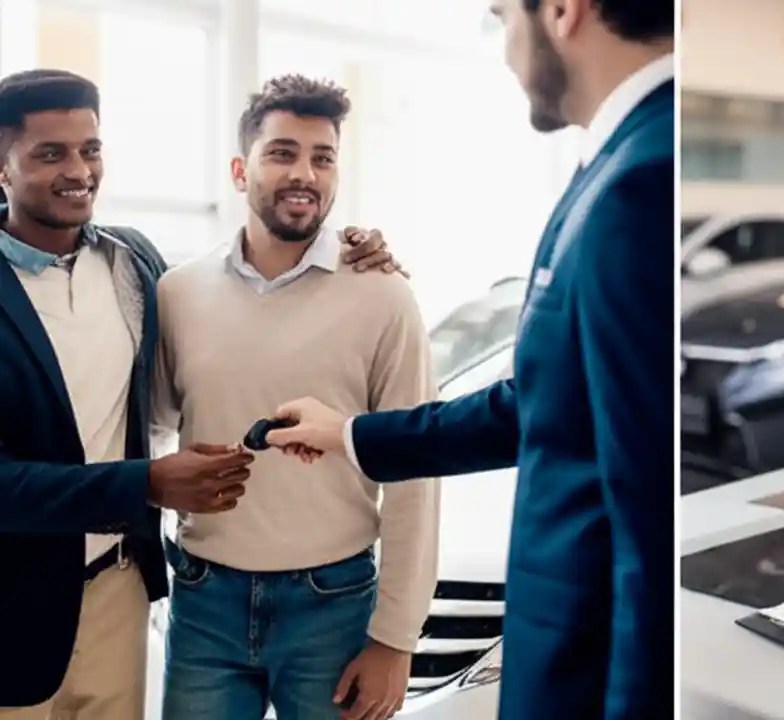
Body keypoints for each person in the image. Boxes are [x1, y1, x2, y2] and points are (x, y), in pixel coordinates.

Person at [264, 1, 675, 717]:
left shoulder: (643, 179)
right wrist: (352, 435)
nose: (505, 48)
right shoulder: (611, 165)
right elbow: (538, 405)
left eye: (499, 17)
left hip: (586, 674)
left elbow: (647, 519)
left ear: (561, 12)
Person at [0, 69, 399, 718]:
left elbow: (188, 382)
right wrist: (147, 484)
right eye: (50, 153)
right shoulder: (168, 282)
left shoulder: (135, 266)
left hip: (122, 590)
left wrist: (354, 244)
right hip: (16, 602)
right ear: (3, 168)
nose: (78, 169)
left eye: (90, 149)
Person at [153, 75, 439, 720]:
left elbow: (417, 472)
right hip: (204, 601)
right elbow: (148, 430)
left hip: (333, 606)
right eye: (282, 152)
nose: (304, 173)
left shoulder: (383, 295)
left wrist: (396, 637)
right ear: (239, 169)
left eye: (323, 156)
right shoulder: (178, 292)